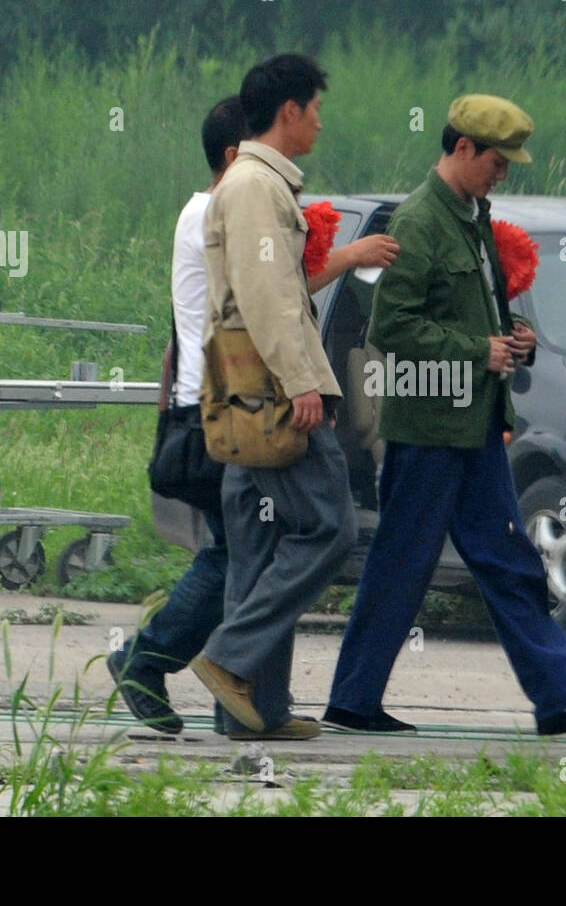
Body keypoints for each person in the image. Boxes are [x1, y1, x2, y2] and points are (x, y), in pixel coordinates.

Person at [323, 95, 566, 736]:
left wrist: (515, 335)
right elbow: (393, 326)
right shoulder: (419, 221)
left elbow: (482, 311)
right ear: (462, 148)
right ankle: (353, 701)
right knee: (401, 566)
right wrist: (475, 350)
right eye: (497, 160)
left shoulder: (473, 217)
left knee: (508, 559)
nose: (503, 173)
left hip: (478, 426)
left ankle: (562, 697)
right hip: (428, 431)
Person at [107, 92, 396, 738]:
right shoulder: (222, 207)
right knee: (236, 555)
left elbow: (277, 286)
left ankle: (245, 704)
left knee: (247, 549)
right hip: (224, 410)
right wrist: (345, 257)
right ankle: (151, 660)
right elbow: (269, 293)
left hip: (219, 402)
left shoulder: (211, 207)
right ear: (238, 154)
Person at [188, 54, 360, 741]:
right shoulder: (258, 187)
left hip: (244, 395)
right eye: (315, 107)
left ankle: (254, 710)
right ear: (288, 111)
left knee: (260, 541)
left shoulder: (250, 183)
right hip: (273, 396)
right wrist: (303, 383)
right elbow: (269, 299)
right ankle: (231, 658)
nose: (320, 119)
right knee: (328, 527)